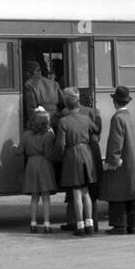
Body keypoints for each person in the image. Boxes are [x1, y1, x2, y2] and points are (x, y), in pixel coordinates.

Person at [54, 88, 98, 236]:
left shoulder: (63, 121)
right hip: (86, 153)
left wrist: (58, 157)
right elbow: (96, 130)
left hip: (72, 155)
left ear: (67, 106)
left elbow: (60, 144)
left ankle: (79, 225)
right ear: (78, 106)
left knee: (76, 193)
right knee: (86, 192)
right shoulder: (86, 119)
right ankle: (90, 224)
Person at [99, 85, 135, 234]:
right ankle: (131, 225)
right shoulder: (132, 118)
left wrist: (112, 160)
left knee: (117, 192)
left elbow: (115, 142)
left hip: (121, 162)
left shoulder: (117, 119)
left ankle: (119, 225)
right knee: (130, 193)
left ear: (115, 102)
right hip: (132, 161)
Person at [16, 107, 57, 233]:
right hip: (45, 164)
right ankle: (47, 224)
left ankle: (33, 223)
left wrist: (13, 147)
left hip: (31, 164)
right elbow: (49, 153)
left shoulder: (26, 135)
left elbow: (19, 151)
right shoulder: (49, 134)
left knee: (34, 197)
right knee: (45, 197)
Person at [23, 60, 63, 126]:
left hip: (40, 122)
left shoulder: (29, 85)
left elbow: (31, 107)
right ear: (40, 71)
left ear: (27, 73)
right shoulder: (54, 83)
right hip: (56, 119)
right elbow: (62, 102)